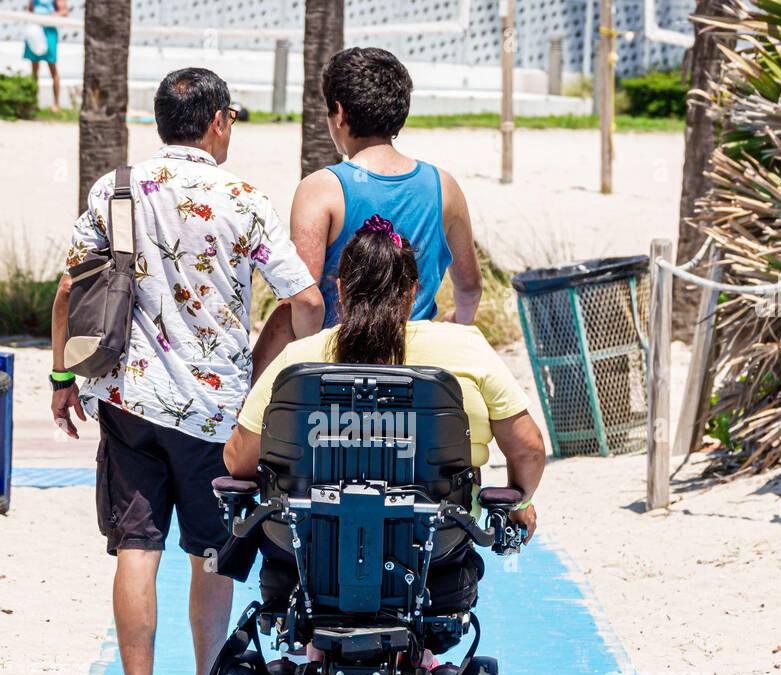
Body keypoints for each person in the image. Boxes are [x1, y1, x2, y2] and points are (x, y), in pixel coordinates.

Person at [50, 68, 324, 675]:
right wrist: (270, 370)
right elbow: (308, 301)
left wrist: (62, 375)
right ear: (218, 121)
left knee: (137, 546)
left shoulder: (115, 190)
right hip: (216, 413)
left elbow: (67, 290)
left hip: (129, 399)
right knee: (210, 553)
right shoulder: (244, 199)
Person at [228, 215, 544, 545]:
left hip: (309, 544)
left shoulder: (297, 359)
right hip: (437, 546)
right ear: (411, 292)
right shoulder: (466, 349)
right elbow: (530, 449)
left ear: (340, 289)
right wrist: (519, 503)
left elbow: (238, 460)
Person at [252, 47, 483, 380]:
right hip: (415, 369)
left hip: (337, 370)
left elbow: (305, 301)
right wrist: (458, 327)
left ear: (340, 113)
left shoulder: (322, 189)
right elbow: (471, 287)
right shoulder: (443, 186)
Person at [24, 0, 68, 110]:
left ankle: (56, 103)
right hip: (35, 30)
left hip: (49, 30)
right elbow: (30, 9)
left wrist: (48, 17)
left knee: (52, 67)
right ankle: (32, 102)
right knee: (34, 69)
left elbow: (64, 11)